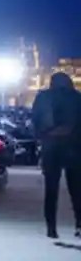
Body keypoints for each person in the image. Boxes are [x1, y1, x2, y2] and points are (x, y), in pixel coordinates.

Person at [31, 72, 81, 239]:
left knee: (51, 189)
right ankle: (79, 225)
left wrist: (44, 136)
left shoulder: (43, 97)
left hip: (51, 147)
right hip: (73, 147)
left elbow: (35, 120)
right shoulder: (76, 97)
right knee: (76, 189)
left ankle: (51, 228)